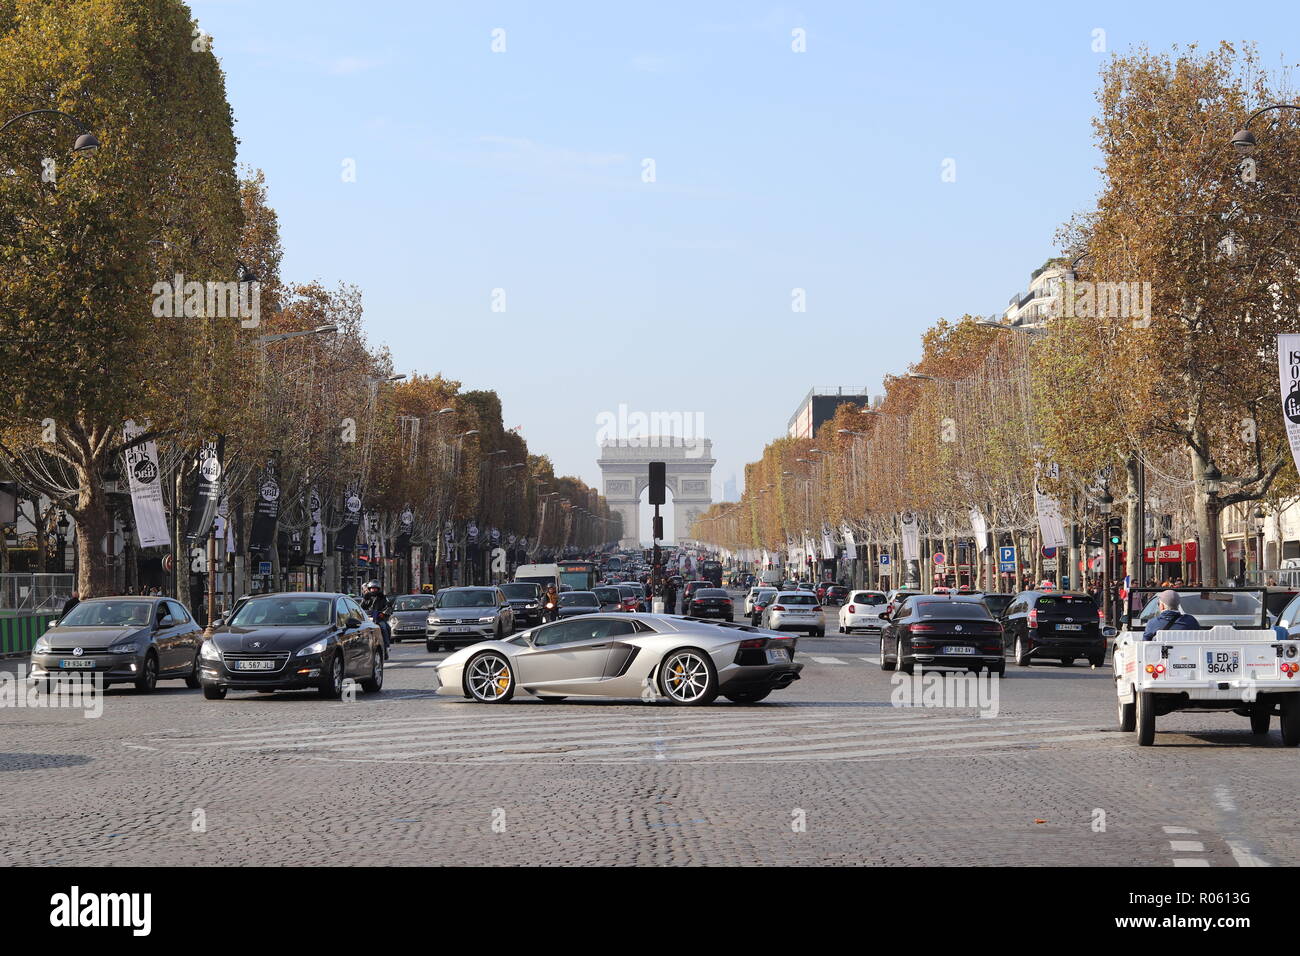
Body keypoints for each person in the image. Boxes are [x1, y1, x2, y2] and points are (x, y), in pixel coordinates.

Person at [360, 580, 391, 659]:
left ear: (378, 589)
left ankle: (386, 645)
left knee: (385, 627)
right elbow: (360, 607)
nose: (373, 590)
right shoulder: (366, 598)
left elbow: (388, 607)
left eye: (375, 588)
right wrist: (361, 613)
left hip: (378, 619)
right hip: (367, 620)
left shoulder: (383, 597)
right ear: (369, 589)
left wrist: (383, 613)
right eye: (372, 588)